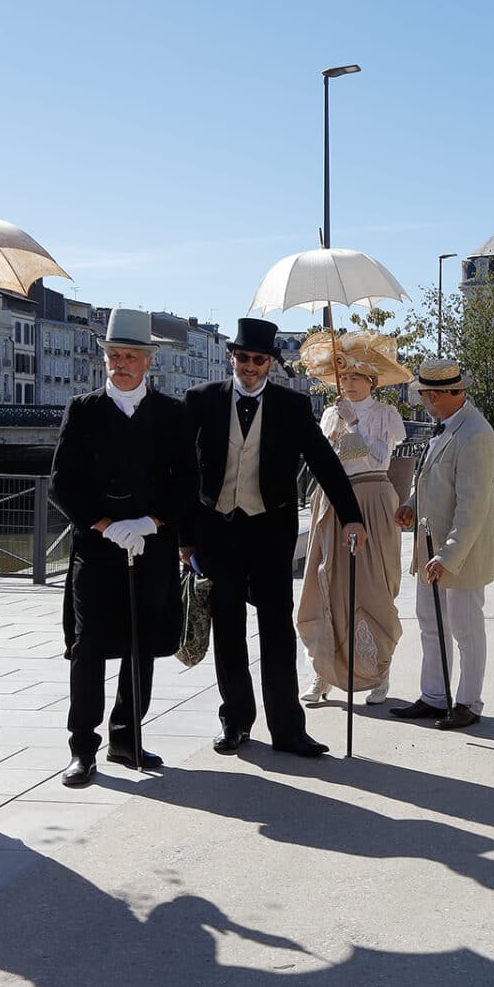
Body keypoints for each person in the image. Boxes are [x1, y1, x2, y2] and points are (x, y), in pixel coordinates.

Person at [182, 318, 365, 758]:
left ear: (270, 363)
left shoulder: (291, 405)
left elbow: (324, 462)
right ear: (232, 357)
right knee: (227, 629)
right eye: (242, 358)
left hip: (269, 531)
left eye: (258, 359)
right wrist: (184, 537)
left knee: (276, 630)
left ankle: (288, 730)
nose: (249, 366)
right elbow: (180, 472)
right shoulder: (200, 401)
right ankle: (236, 721)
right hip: (218, 531)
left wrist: (351, 517)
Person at [49, 308, 195, 788]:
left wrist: (150, 523)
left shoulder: (173, 415)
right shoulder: (83, 409)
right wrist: (107, 525)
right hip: (97, 547)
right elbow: (62, 483)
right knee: (88, 648)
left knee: (142, 646)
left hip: (150, 547)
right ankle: (82, 748)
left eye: (131, 355)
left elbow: (187, 483)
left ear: (148, 361)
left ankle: (127, 737)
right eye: (114, 354)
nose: (121, 363)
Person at [293, 330, 410, 708]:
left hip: (373, 498)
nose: (350, 383)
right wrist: (338, 426)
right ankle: (324, 673)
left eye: (357, 377)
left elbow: (378, 460)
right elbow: (324, 461)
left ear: (372, 380)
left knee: (373, 585)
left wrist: (354, 425)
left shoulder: (385, 414)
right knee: (328, 581)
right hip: (333, 501)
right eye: (345, 377)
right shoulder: (331, 413)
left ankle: (378, 669)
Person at [390, 359, 494, 731]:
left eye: (423, 394)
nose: (422, 400)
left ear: (435, 395)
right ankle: (435, 695)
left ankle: (469, 701)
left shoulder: (475, 434)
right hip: (431, 547)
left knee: (466, 628)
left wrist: (449, 555)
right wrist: (410, 504)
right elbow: (431, 478)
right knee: (430, 623)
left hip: (459, 553)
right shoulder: (448, 426)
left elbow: (473, 506)